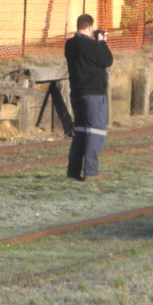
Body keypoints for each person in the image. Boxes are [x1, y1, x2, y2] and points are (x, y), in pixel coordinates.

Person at [64, 13, 114, 181]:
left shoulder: (70, 44)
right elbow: (107, 60)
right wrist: (102, 42)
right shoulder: (91, 46)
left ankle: (73, 170)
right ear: (90, 27)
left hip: (77, 92)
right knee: (95, 131)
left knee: (80, 131)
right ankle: (91, 171)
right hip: (94, 94)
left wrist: (97, 42)